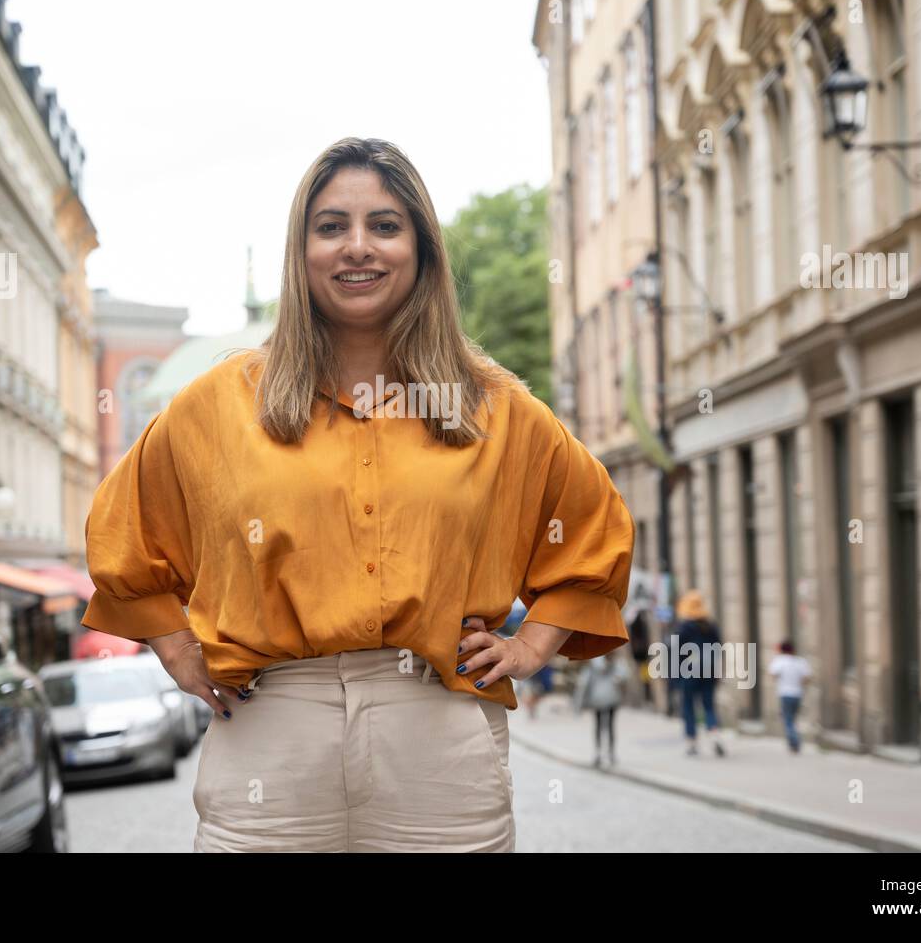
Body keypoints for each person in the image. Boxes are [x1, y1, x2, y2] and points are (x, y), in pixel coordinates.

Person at [81, 137, 636, 852]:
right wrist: (178, 648)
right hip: (270, 732)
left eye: (384, 225)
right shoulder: (218, 405)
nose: (357, 247)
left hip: (436, 735)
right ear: (301, 249)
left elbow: (592, 526)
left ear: (421, 248)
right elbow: (124, 530)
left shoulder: (492, 407)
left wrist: (532, 643)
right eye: (331, 226)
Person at [675, 590, 725, 757]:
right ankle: (714, 735)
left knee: (689, 707)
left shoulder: (684, 628)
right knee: (709, 706)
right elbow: (718, 650)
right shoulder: (710, 626)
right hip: (709, 671)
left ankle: (692, 742)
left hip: (688, 672)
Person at [573, 650, 630, 767]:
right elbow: (625, 676)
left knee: (603, 726)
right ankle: (606, 753)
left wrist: (580, 704)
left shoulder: (598, 663)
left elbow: (584, 683)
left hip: (602, 698)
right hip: (606, 698)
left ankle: (604, 752)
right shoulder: (609, 664)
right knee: (606, 726)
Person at [768, 640, 812, 753]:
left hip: (785, 693)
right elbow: (807, 678)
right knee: (793, 718)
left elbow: (773, 674)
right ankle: (794, 739)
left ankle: (794, 741)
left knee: (788, 719)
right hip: (797, 693)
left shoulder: (780, 661)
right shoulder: (800, 661)